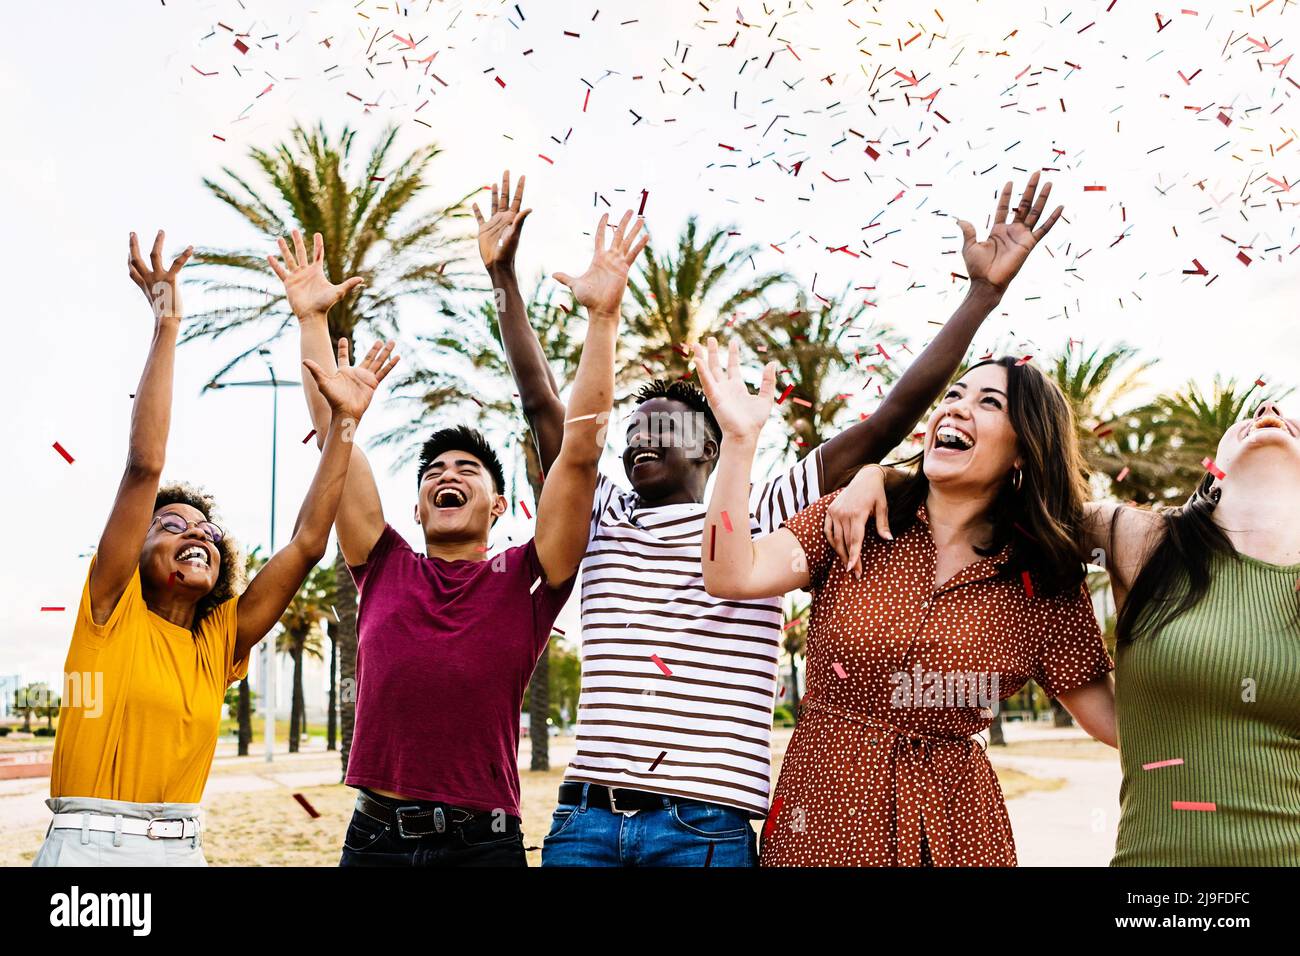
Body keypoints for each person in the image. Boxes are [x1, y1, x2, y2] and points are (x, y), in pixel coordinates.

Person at [488, 169, 1068, 865]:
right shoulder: (603, 512)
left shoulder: (767, 513)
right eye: (634, 431)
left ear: (709, 447)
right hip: (586, 821)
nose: (641, 439)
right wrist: (504, 279)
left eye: (664, 430)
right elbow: (545, 408)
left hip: (705, 827)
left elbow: (888, 420)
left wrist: (982, 296)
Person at [273, 209, 644, 866]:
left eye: (466, 469)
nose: (447, 475)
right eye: (433, 472)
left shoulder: (530, 576)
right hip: (376, 840)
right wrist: (310, 321)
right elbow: (336, 436)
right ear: (417, 508)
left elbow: (580, 453)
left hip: (483, 847)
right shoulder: (383, 561)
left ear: (499, 505)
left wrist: (603, 320)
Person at [37, 231, 396, 867]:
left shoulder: (218, 644)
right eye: (170, 524)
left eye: (204, 528)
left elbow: (309, 542)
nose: (196, 531)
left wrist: (343, 424)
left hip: (182, 848)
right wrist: (167, 326)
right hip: (89, 850)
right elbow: (144, 466)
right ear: (136, 549)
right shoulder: (110, 609)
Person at [700, 344, 1117, 866]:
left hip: (958, 827)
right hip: (824, 814)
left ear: (1024, 450)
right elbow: (729, 573)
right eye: (955, 393)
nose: (957, 407)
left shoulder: (1043, 576)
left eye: (990, 403)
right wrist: (740, 444)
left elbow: (1116, 722)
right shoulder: (852, 517)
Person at [833, 400, 1300, 865]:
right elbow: (1006, 498)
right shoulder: (1148, 543)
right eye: (1254, 407)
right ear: (1214, 467)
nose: (1269, 407)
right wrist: (883, 476)